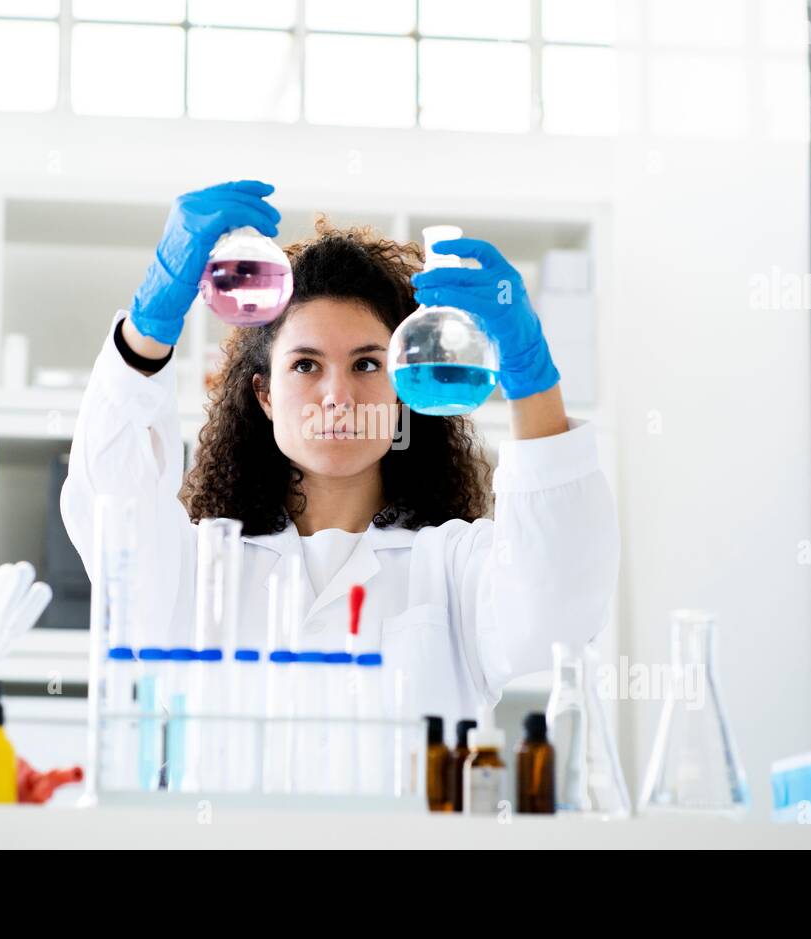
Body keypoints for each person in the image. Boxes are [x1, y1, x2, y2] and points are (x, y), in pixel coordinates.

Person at [61, 180, 619, 729]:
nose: (337, 397)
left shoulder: (454, 567)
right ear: (264, 395)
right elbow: (111, 501)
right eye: (305, 365)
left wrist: (529, 372)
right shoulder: (195, 568)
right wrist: (144, 334)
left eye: (367, 364)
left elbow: (559, 609)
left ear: (403, 388)